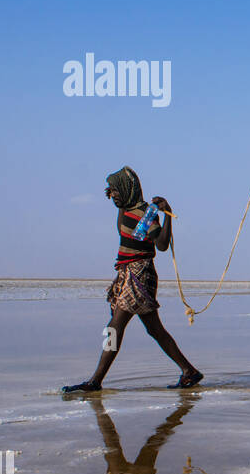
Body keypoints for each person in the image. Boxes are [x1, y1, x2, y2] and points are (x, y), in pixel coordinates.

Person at [62, 166, 203, 392]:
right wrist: (116, 197)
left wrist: (168, 214)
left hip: (139, 275)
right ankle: (189, 371)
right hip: (127, 274)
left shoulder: (145, 214)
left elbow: (162, 245)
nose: (112, 195)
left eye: (116, 191)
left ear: (127, 190)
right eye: (111, 191)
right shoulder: (126, 211)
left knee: (114, 328)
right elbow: (122, 228)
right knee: (154, 330)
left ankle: (95, 381)